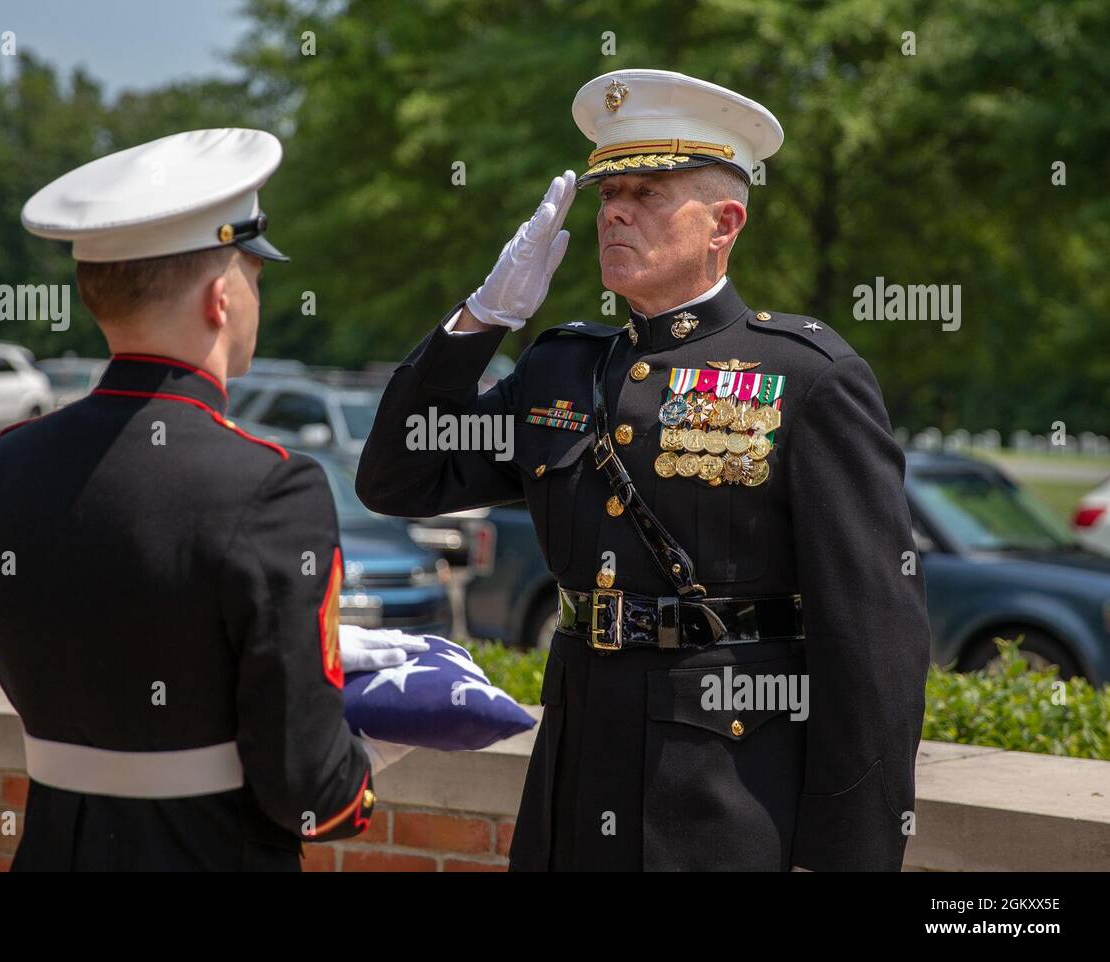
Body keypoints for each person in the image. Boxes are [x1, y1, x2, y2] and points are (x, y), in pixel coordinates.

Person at [356, 70, 931, 871]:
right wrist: (481, 319)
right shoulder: (562, 368)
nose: (615, 212)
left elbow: (873, 640)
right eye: (609, 194)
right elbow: (397, 478)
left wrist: (847, 858)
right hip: (574, 784)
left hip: (724, 803)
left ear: (724, 224)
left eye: (649, 193)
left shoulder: (806, 377)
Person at [0, 128, 412, 871]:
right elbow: (310, 792)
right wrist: (372, 746)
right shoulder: (271, 486)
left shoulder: (2, 467)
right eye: (254, 275)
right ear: (220, 297)